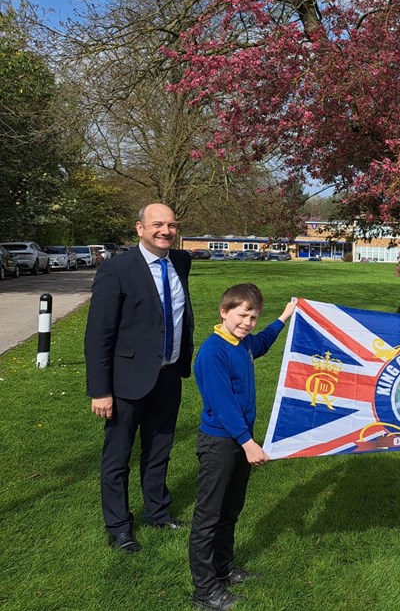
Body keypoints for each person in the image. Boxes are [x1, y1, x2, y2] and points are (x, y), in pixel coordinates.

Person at [85, 203, 195, 553]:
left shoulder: (180, 262)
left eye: (172, 225)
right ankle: (118, 527)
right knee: (118, 457)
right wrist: (101, 390)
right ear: (140, 228)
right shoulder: (117, 270)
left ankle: (157, 512)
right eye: (158, 224)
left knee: (159, 450)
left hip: (168, 374)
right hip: (126, 381)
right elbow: (98, 335)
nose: (165, 231)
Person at [189, 285, 297, 611]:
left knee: (230, 510)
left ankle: (224, 568)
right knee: (208, 517)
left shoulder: (243, 343)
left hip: (239, 441)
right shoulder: (213, 351)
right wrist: (248, 443)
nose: (248, 322)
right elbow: (222, 405)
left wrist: (284, 317)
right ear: (224, 311)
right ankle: (205, 591)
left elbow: (260, 343)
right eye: (242, 315)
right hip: (221, 442)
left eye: (253, 316)